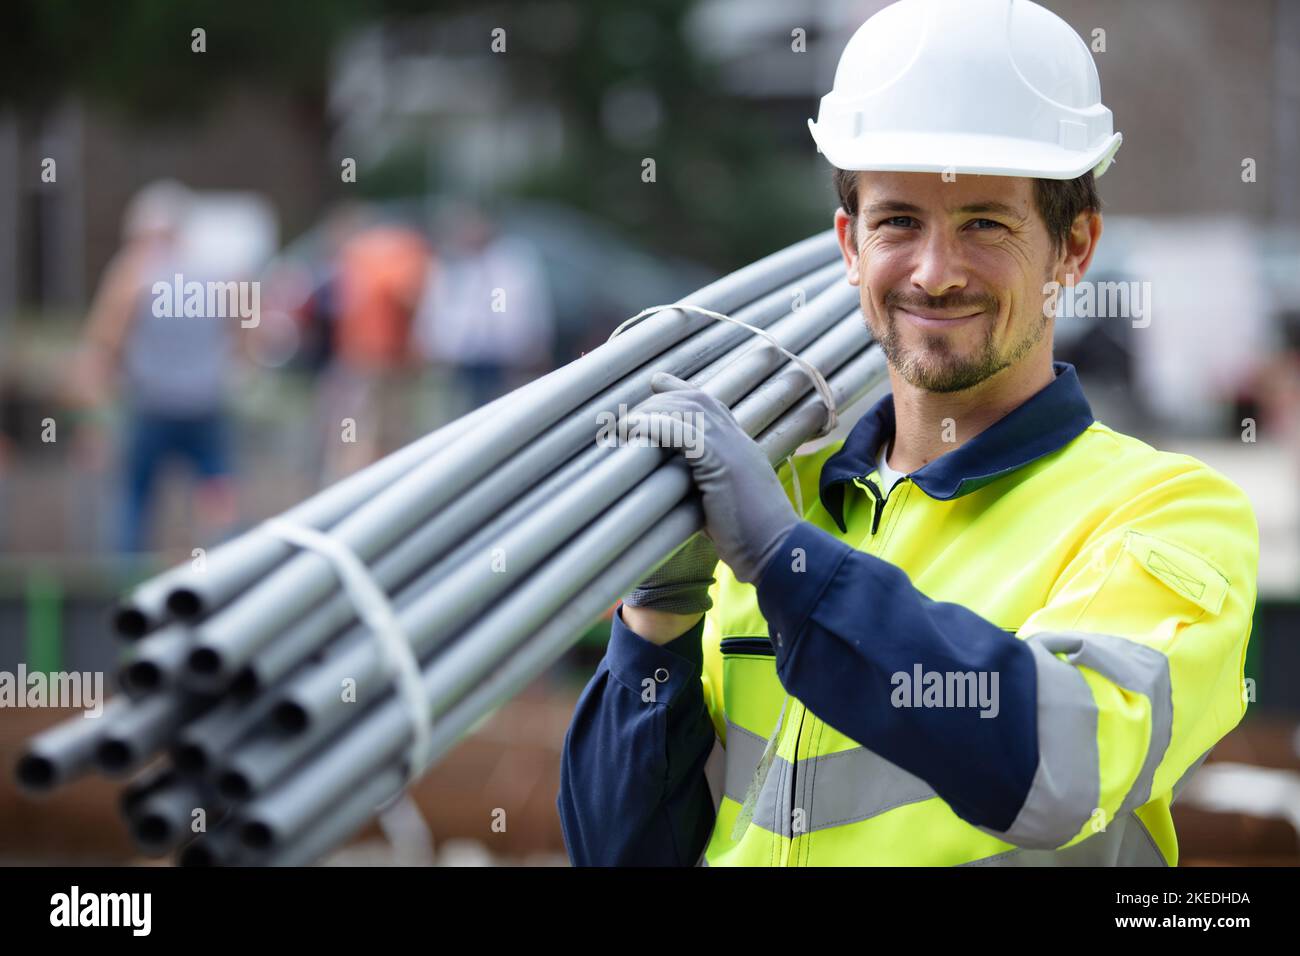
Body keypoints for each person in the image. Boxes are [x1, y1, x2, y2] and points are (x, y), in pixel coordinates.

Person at [558, 0, 1259, 866]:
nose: (934, 271)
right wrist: (654, 629)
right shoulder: (776, 498)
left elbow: (1059, 765)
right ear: (851, 244)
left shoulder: (1167, 517)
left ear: (1074, 250)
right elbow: (621, 854)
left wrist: (787, 565)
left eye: (985, 225)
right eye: (900, 221)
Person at [69, 180, 237, 553]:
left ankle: (126, 591)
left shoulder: (133, 276)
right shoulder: (212, 275)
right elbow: (242, 333)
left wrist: (92, 418)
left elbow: (102, 345)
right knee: (216, 493)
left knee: (134, 501)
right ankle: (226, 574)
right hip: (205, 403)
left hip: (152, 404)